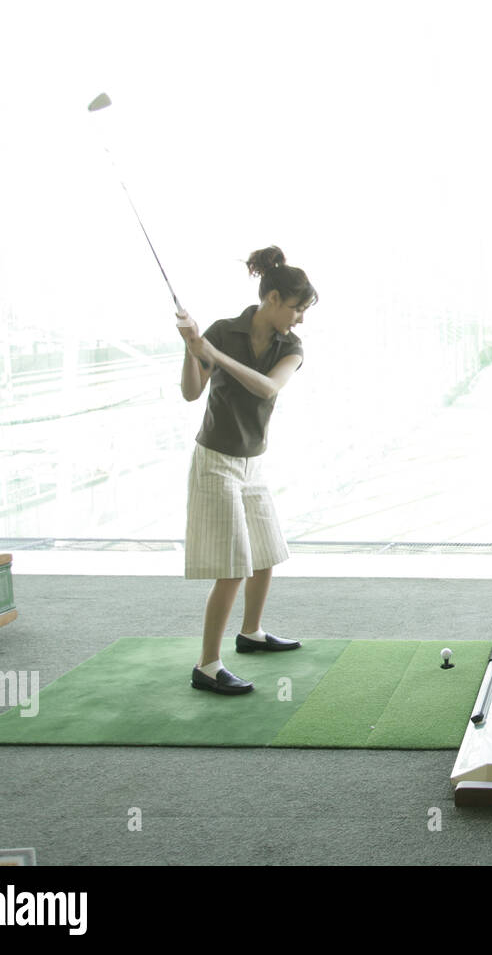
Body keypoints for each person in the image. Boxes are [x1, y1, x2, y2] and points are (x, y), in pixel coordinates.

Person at [176, 246, 316, 695]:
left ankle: (251, 633)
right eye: (296, 308)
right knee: (234, 566)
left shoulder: (289, 346)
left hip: (252, 462)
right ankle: (208, 665)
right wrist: (192, 350)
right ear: (272, 299)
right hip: (216, 460)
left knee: (265, 553)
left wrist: (216, 354)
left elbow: (268, 388)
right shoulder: (223, 331)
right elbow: (191, 393)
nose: (298, 318)